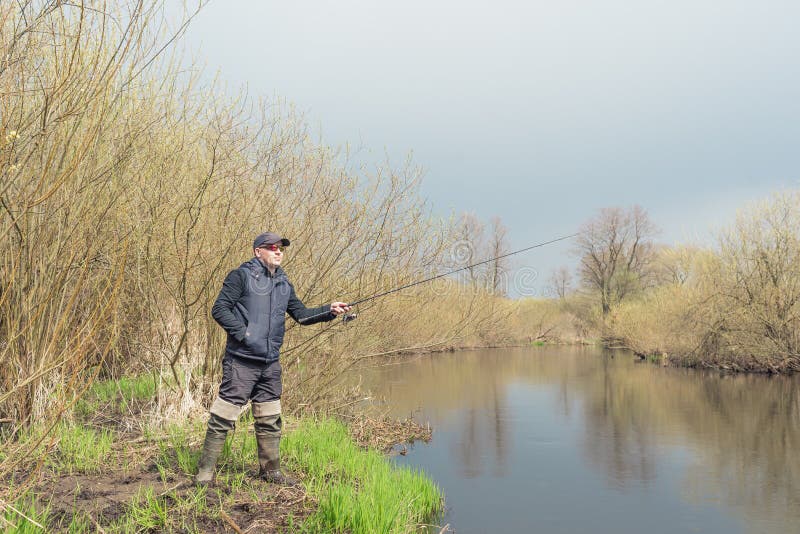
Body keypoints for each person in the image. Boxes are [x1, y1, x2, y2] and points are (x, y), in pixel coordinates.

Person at [195, 231, 351, 486]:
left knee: (269, 417)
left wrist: (329, 311)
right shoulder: (240, 276)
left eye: (281, 248)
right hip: (241, 361)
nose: (279, 251)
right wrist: (244, 335)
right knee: (223, 417)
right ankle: (204, 474)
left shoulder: (283, 283)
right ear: (258, 251)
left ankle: (270, 472)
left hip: (270, 363)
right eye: (272, 247)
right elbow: (219, 309)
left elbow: (301, 315)